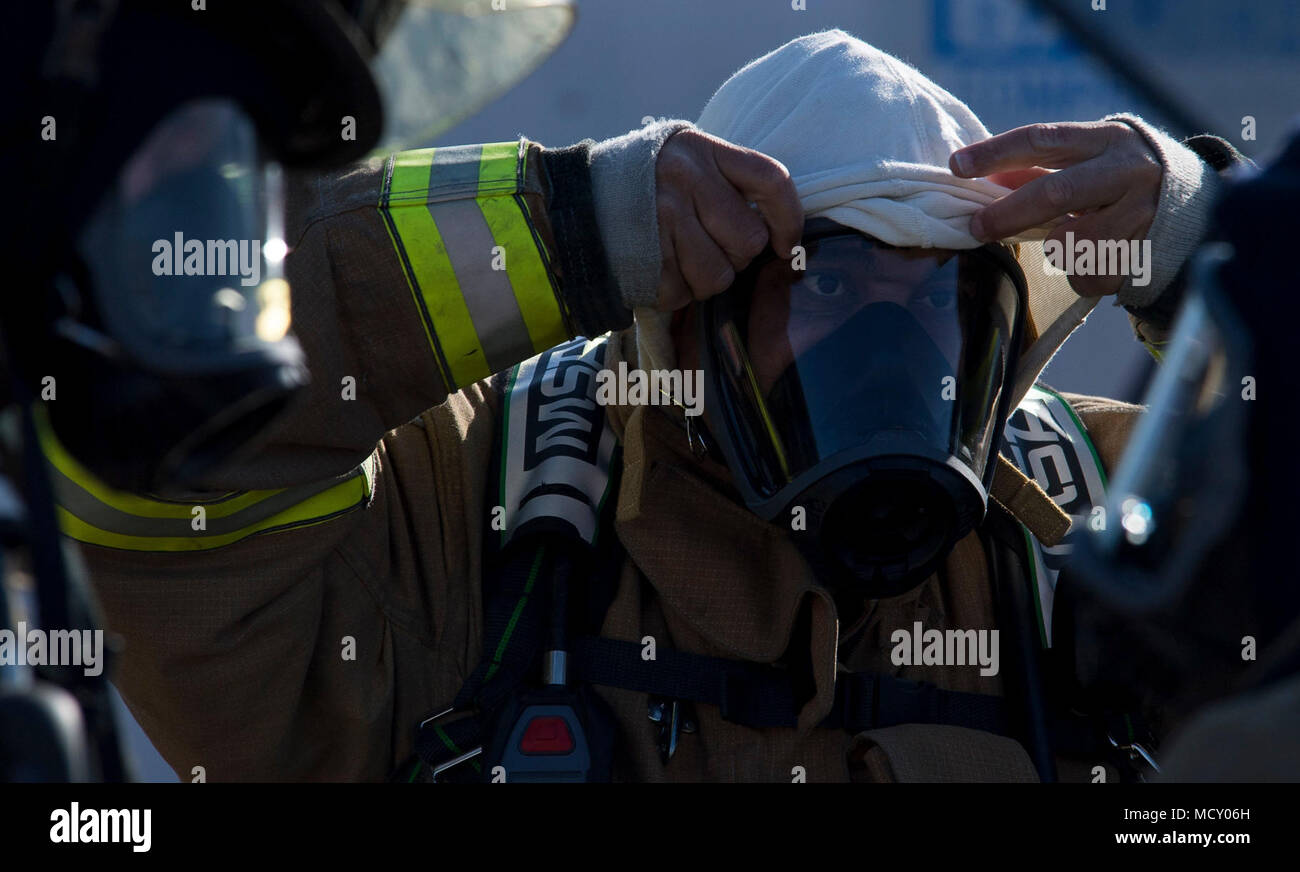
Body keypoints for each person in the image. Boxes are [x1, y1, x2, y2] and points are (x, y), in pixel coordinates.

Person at [50, 30, 1244, 781]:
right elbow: (173, 461)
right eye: (825, 286)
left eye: (931, 298)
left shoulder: (1098, 526)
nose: (891, 348)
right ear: (698, 307)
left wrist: (1223, 262)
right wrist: (567, 226)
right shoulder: (470, 516)